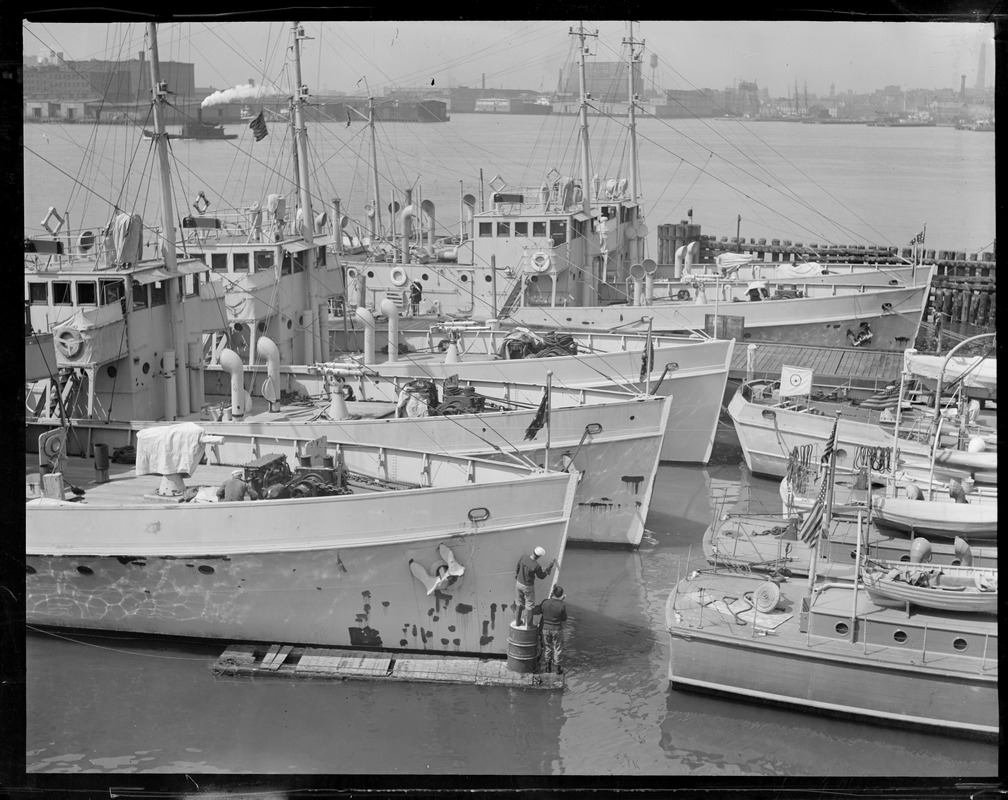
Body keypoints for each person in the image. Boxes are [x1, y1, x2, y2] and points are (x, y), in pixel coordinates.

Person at [514, 546, 555, 628]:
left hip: (518, 583)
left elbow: (517, 567)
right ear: (539, 556)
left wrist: (517, 576)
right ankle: (529, 625)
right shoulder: (536, 566)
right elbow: (541, 576)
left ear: (533, 551)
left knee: (519, 602)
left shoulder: (523, 557)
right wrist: (548, 570)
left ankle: (517, 622)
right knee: (530, 605)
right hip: (528, 586)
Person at [535, 584, 568, 675]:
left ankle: (548, 668)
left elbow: (539, 610)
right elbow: (564, 618)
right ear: (561, 595)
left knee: (547, 648)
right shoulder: (562, 605)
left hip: (546, 628)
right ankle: (558, 669)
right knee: (557, 648)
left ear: (552, 593)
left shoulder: (545, 603)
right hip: (557, 629)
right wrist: (561, 602)